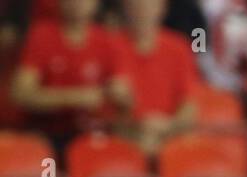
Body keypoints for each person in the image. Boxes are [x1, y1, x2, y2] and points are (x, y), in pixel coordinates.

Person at [11, 0, 132, 153]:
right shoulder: (42, 36)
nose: (77, 3)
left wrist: (120, 96)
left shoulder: (107, 40)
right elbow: (20, 94)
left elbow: (125, 96)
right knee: (45, 168)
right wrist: (76, 97)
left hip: (95, 137)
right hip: (48, 136)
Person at [110, 0, 198, 154]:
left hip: (168, 137)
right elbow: (109, 101)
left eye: (149, 5)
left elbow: (189, 104)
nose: (143, 11)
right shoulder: (111, 45)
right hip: (124, 138)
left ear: (163, 8)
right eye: (136, 5)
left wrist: (168, 126)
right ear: (125, 8)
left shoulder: (179, 47)